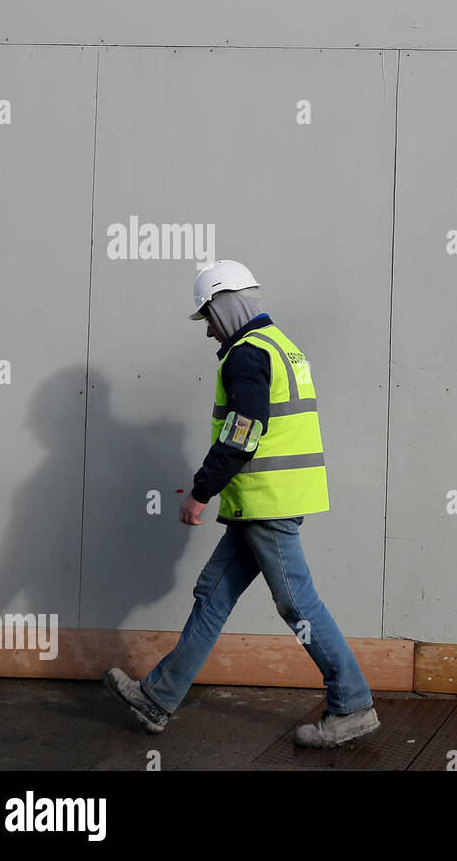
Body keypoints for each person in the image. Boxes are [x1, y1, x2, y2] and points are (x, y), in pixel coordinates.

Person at [103, 259, 379, 748]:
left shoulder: (247, 354)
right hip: (267, 501)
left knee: (297, 604)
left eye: (208, 316)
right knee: (213, 592)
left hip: (267, 503)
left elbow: (244, 430)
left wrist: (201, 491)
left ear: (225, 305)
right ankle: (158, 696)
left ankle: (352, 703)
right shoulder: (281, 346)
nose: (208, 331)